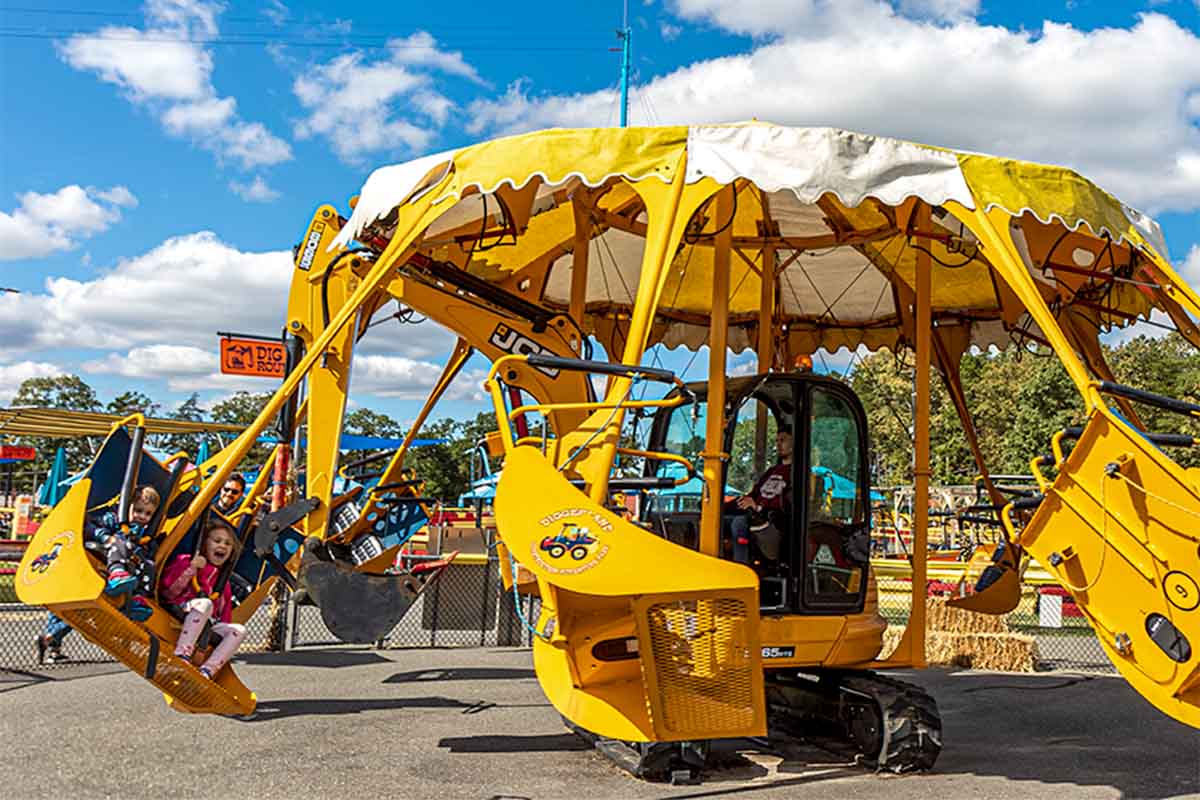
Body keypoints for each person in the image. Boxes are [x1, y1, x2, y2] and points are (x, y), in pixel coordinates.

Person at [160, 520, 245, 679]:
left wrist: (211, 642)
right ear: (205, 544)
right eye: (217, 541)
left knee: (239, 630)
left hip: (206, 621)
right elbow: (169, 591)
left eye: (228, 543)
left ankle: (208, 670)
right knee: (205, 604)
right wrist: (191, 568)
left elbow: (224, 615)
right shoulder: (187, 560)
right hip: (182, 607)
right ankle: (182, 655)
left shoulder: (222, 582)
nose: (223, 546)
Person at [730, 426, 793, 564]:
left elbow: (788, 505)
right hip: (755, 513)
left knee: (739, 523)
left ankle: (741, 569)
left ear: (794, 443)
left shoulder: (797, 473)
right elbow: (754, 493)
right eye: (776, 441)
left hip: (774, 522)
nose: (778, 444)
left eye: (783, 440)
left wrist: (758, 507)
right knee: (719, 519)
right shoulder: (771, 471)